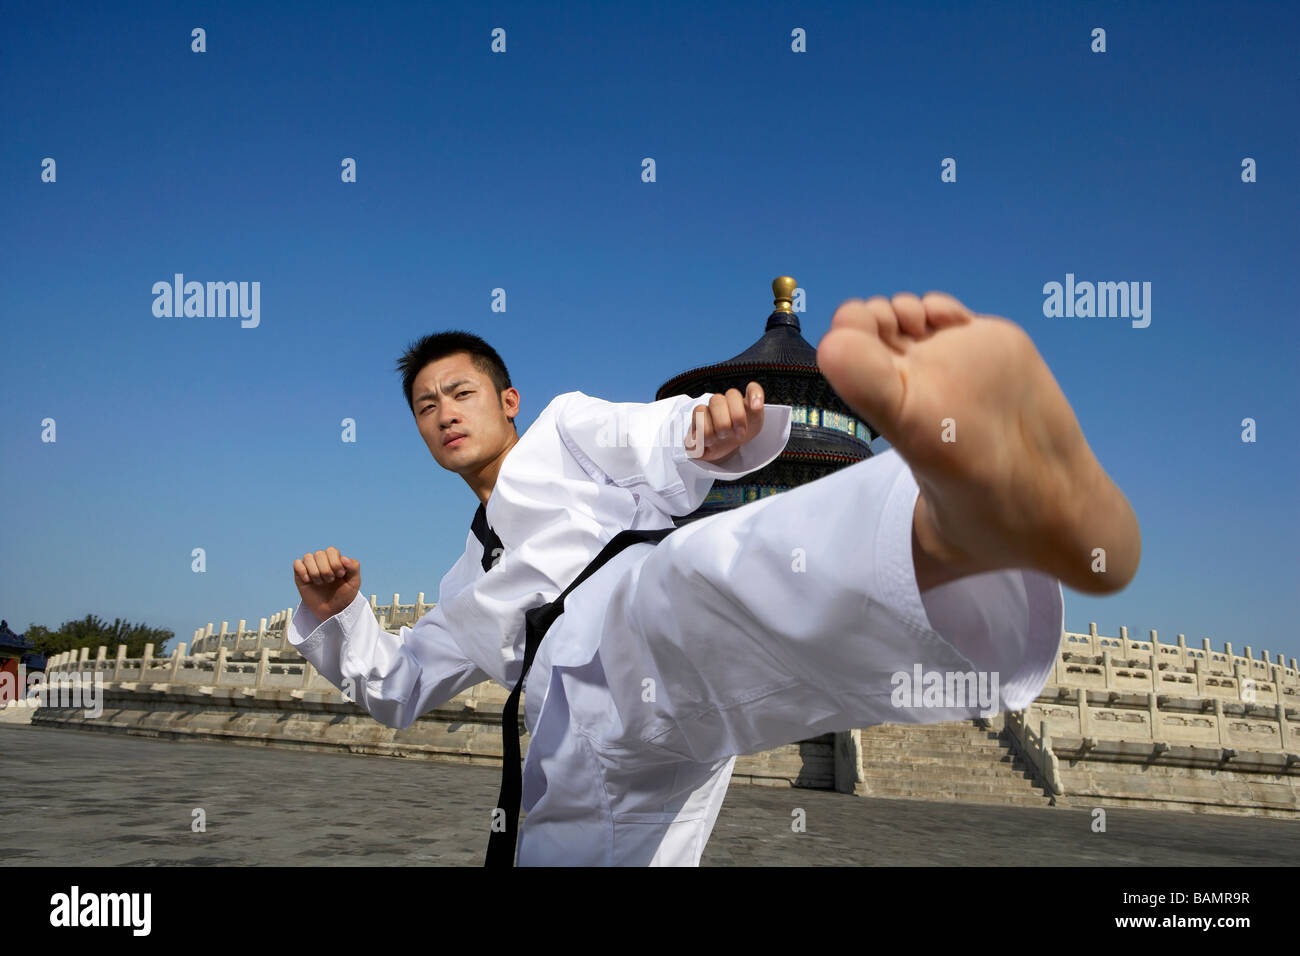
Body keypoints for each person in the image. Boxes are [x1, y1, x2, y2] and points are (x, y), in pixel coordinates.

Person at [287, 291, 1141, 866]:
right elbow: (396, 687)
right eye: (426, 407)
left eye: (460, 393)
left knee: (697, 573)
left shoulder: (565, 433)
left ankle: (962, 513)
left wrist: (708, 430)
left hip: (634, 640)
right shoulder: (461, 584)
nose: (444, 414)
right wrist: (339, 615)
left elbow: (649, 439)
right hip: (568, 758)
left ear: (507, 401)